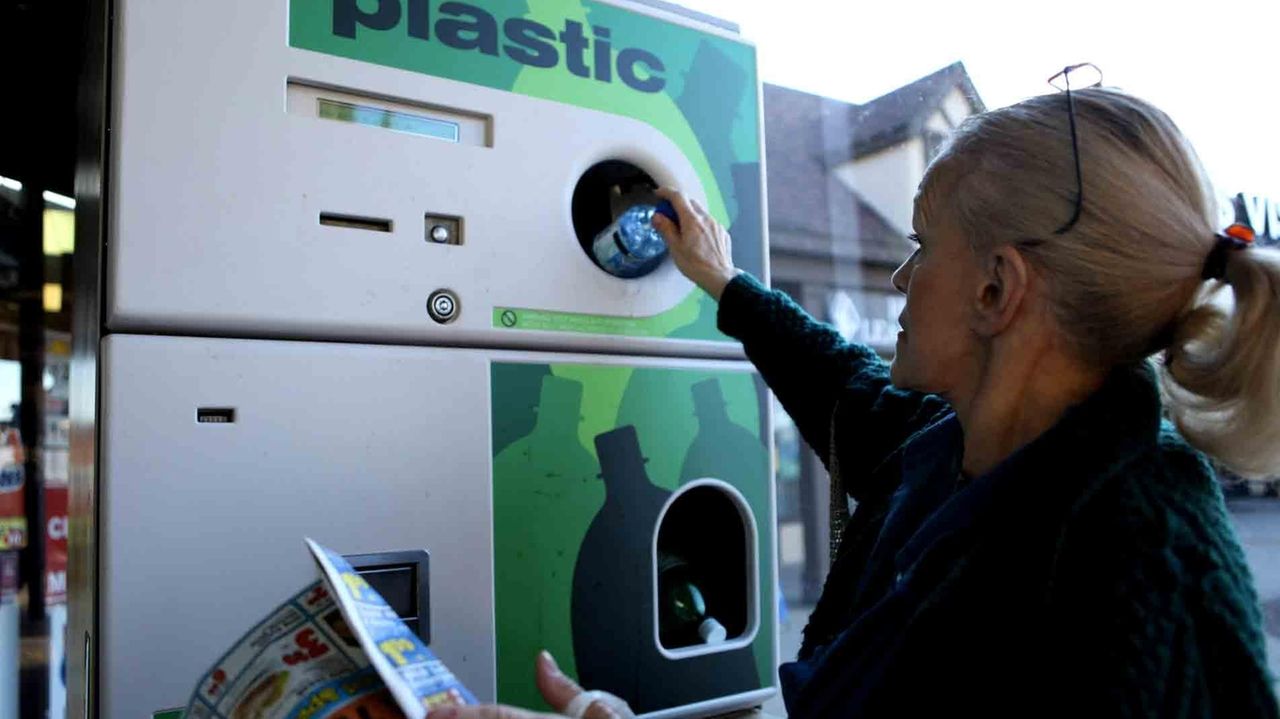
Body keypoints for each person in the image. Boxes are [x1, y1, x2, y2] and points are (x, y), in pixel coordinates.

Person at [432, 86, 1280, 718]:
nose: (903, 279)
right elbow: (846, 392)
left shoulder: (1142, 563)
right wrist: (724, 283)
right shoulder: (959, 448)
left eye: (921, 244)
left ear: (997, 289)